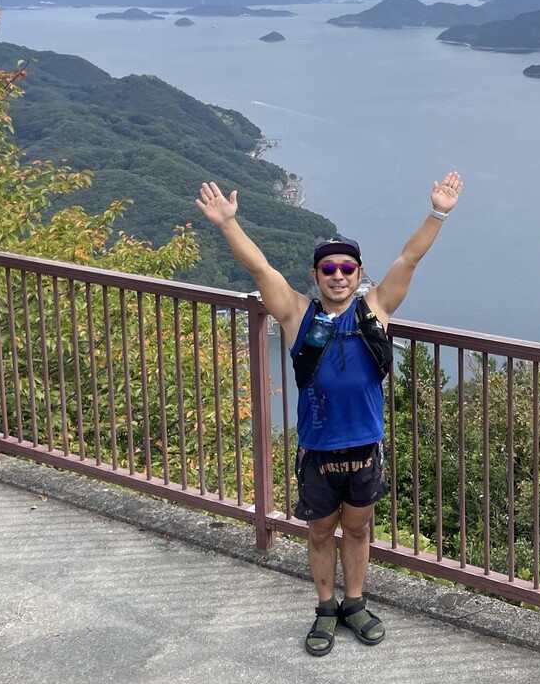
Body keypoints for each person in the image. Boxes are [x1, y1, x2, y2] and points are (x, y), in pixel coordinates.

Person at [194, 172, 464, 656]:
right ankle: (325, 607)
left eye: (347, 268)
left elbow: (410, 257)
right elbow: (261, 272)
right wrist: (227, 225)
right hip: (317, 448)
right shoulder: (298, 315)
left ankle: (354, 602)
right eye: (328, 269)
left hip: (364, 445)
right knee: (320, 531)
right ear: (315, 276)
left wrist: (438, 212)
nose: (338, 276)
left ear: (359, 275)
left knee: (358, 529)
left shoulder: (376, 311)